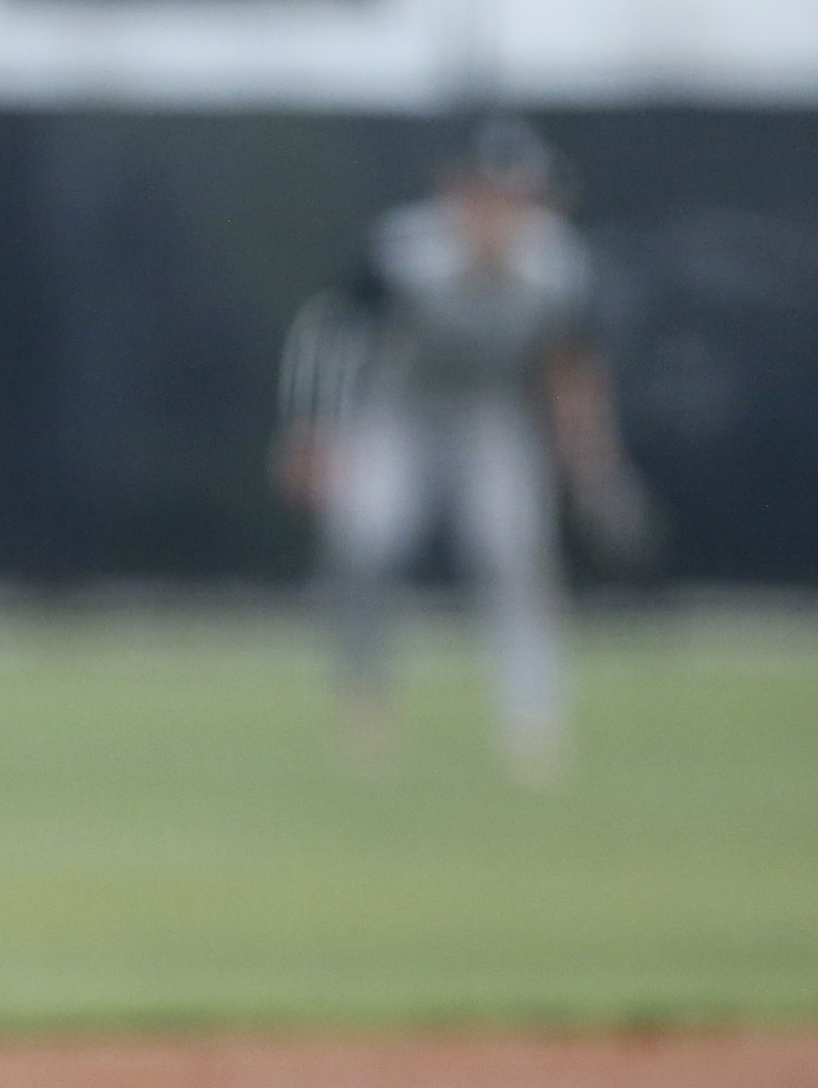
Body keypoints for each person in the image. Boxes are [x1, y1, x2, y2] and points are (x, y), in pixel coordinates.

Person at [274, 116, 650, 784]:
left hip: (490, 413)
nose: (496, 215)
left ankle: (533, 720)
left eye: (514, 199)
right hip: (398, 410)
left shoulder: (556, 266)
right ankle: (364, 703)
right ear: (456, 194)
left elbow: (571, 372)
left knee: (516, 552)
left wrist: (595, 467)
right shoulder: (406, 254)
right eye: (484, 197)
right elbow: (329, 333)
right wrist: (313, 428)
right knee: (363, 539)